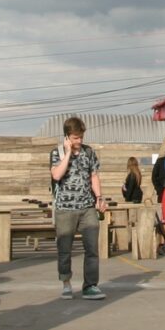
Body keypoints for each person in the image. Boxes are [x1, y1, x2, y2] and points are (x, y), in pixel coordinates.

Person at [50, 116, 107, 300]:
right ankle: (66, 283)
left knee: (92, 248)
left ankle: (90, 285)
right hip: (65, 209)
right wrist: (67, 153)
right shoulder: (56, 153)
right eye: (75, 137)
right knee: (64, 248)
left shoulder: (89, 152)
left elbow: (94, 176)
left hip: (87, 207)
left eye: (81, 137)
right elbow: (57, 175)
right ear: (67, 137)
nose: (79, 141)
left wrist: (99, 198)